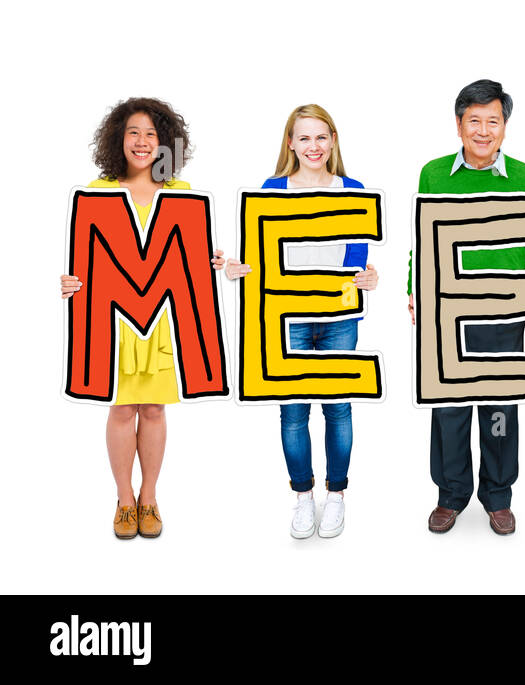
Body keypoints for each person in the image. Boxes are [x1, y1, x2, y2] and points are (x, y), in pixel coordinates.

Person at [59, 97, 226, 539]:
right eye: (134, 132)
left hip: (162, 321)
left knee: (153, 408)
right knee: (121, 407)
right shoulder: (98, 191)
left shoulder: (181, 194)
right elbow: (84, 259)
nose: (142, 141)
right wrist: (69, 281)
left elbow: (186, 258)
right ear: (119, 139)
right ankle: (124, 498)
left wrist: (210, 262)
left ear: (165, 143)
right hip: (114, 321)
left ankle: (149, 496)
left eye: (152, 134)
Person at [224, 104, 379, 539]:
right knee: (292, 412)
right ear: (290, 142)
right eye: (305, 137)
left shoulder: (353, 190)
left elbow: (356, 258)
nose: (314, 146)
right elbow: (259, 257)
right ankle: (303, 497)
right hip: (286, 317)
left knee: (337, 407)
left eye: (322, 137)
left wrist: (367, 278)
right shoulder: (271, 190)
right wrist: (238, 268)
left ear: (333, 142)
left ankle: (336, 496)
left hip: (337, 317)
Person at [410, 79, 525, 537]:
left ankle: (497, 496)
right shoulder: (433, 174)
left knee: (498, 406)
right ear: (459, 125)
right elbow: (422, 239)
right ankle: (450, 495)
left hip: (504, 311)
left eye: (493, 121)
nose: (484, 130)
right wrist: (416, 288)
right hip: (447, 308)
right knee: (449, 403)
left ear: (505, 128)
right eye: (475, 120)